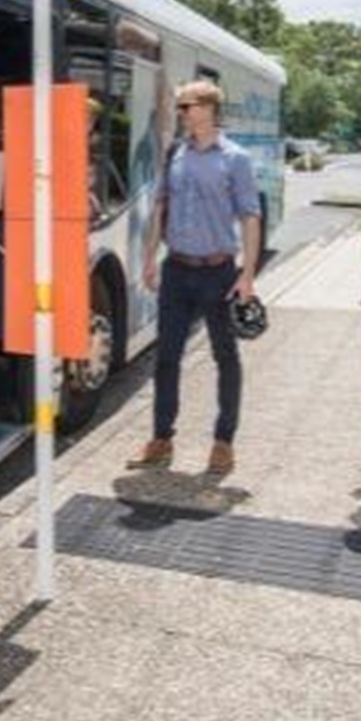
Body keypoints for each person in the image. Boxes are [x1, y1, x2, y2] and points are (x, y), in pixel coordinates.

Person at [129, 79, 262, 475]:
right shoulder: (175, 153)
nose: (182, 113)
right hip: (177, 269)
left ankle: (223, 442)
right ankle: (161, 439)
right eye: (181, 107)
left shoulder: (235, 159)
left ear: (208, 109)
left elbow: (250, 217)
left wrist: (247, 275)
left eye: (187, 106)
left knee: (226, 357)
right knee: (166, 357)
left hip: (218, 272)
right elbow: (160, 208)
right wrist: (150, 258)